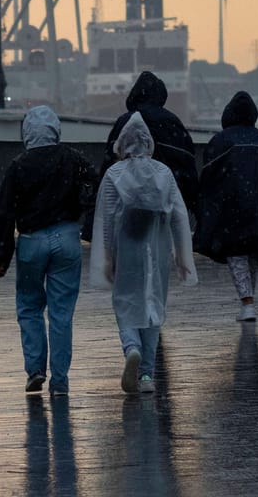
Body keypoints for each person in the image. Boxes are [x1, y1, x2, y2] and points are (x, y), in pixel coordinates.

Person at [0, 106, 97, 396]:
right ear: (55, 130)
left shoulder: (19, 165)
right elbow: (95, 186)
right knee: (61, 313)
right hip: (67, 236)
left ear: (27, 133)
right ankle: (60, 380)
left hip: (32, 240)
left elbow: (4, 213)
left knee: (29, 306)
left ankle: (35, 370)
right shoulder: (72, 158)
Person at [90, 113, 197, 394]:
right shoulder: (163, 174)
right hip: (157, 251)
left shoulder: (115, 175)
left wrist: (108, 257)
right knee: (153, 307)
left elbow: (107, 220)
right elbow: (178, 216)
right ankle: (147, 375)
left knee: (124, 304)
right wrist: (182, 255)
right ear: (148, 144)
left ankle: (131, 348)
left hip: (127, 250)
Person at [193, 92, 258, 322]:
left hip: (230, 208)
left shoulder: (220, 142)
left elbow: (208, 179)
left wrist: (206, 211)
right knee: (252, 253)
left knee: (236, 253)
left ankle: (247, 302)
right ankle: (249, 299)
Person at [92, 71, 199, 236]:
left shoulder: (124, 122)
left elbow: (109, 164)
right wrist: (192, 201)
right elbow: (186, 165)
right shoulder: (172, 122)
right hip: (164, 204)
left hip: (127, 204)